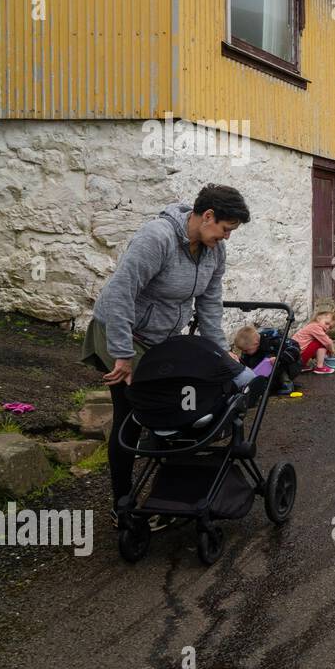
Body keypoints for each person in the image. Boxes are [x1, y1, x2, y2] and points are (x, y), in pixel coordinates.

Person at [81, 184, 250, 526]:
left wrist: (222, 357)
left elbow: (209, 306)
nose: (227, 238)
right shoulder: (156, 238)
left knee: (178, 410)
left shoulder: (213, 251)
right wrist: (122, 353)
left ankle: (168, 499)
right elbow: (119, 294)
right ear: (207, 216)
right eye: (225, 229)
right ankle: (123, 505)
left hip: (161, 340)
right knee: (133, 412)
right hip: (121, 333)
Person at [232, 324, 300, 396]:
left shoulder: (273, 340)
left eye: (246, 350)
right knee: (253, 362)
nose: (244, 353)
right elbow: (245, 363)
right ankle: (266, 385)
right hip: (268, 373)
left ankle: (286, 382)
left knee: (270, 359)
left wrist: (279, 359)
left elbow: (294, 347)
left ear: (256, 344)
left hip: (289, 366)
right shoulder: (250, 350)